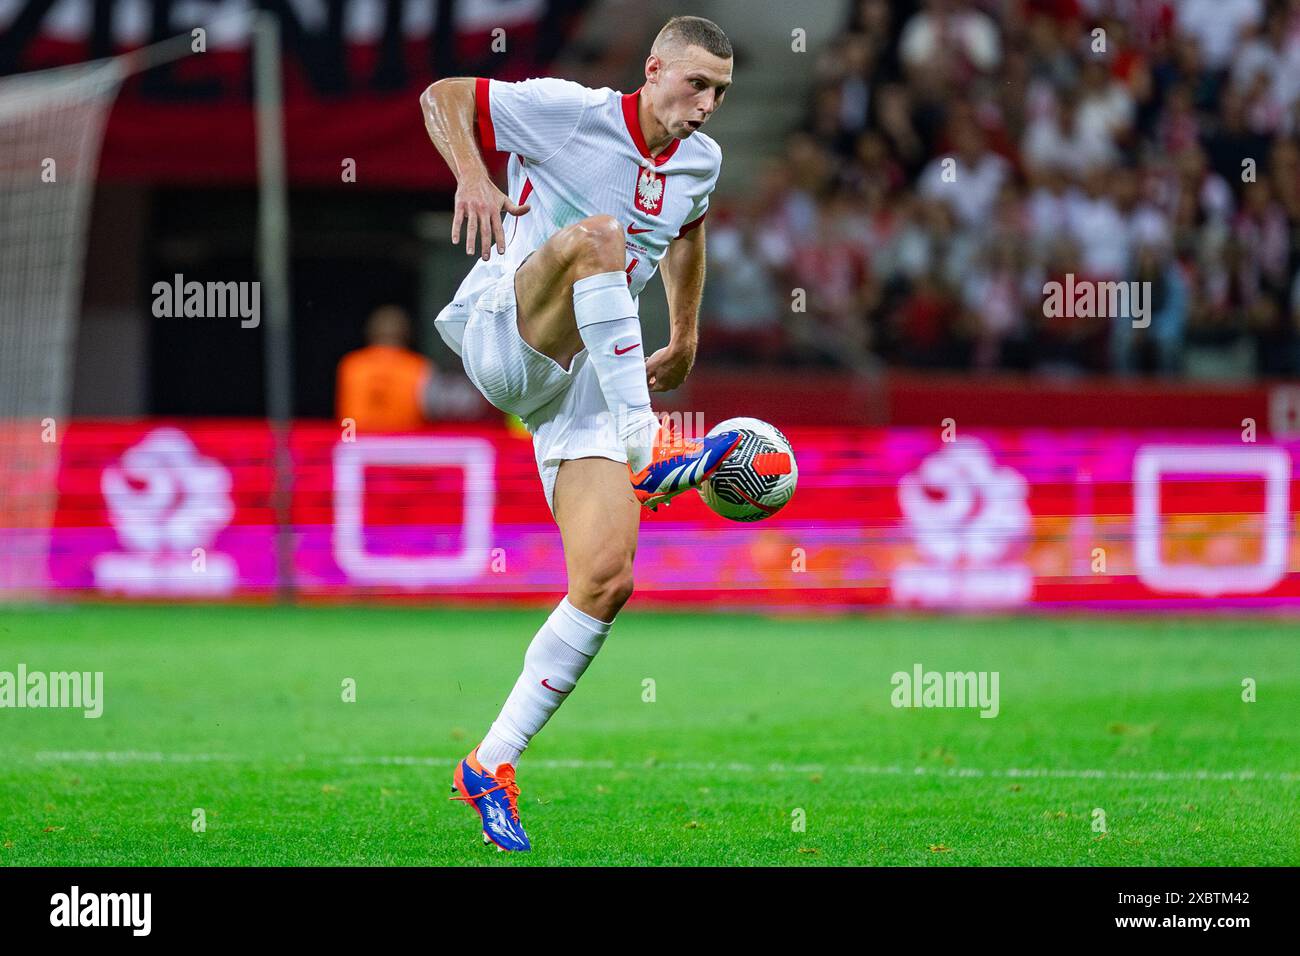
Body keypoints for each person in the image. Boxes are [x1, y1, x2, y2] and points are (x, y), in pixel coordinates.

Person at [419, 15, 741, 851]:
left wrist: (688, 329)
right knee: (599, 236)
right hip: (508, 331)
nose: (705, 106)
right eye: (694, 84)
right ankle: (650, 448)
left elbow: (690, 225)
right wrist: (472, 177)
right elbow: (443, 95)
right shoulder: (570, 111)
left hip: (589, 372)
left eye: (720, 93)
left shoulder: (700, 162)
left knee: (605, 577)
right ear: (653, 68)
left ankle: (489, 763)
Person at [335, 305, 431, 432]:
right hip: (405, 444)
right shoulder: (420, 366)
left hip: (357, 442)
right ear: (407, 333)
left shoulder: (352, 364)